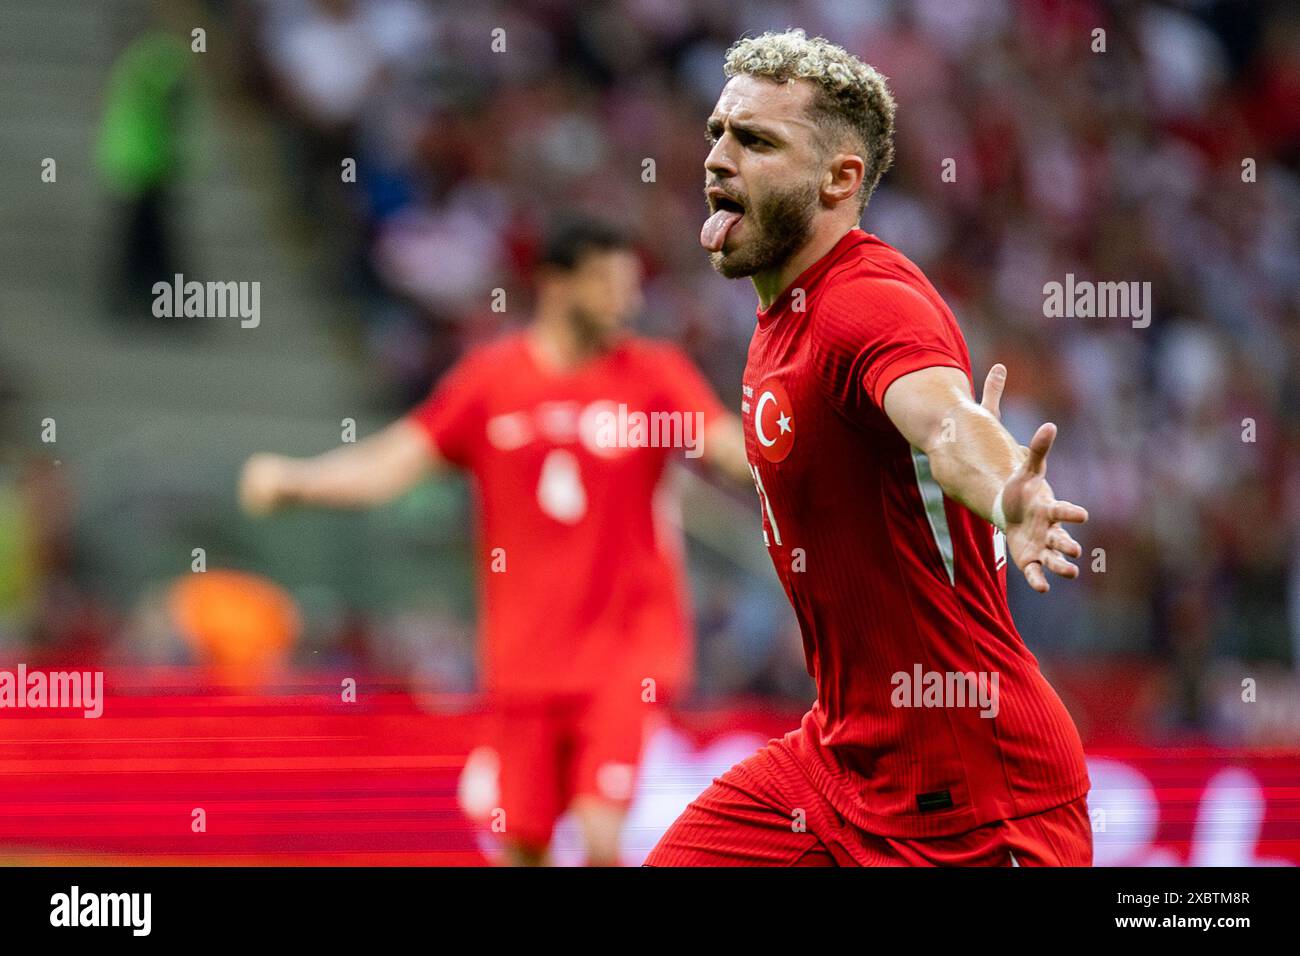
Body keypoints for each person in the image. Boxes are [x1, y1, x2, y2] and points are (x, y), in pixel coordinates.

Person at [646, 30, 1093, 867]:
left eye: (756, 140)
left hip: (978, 799)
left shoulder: (869, 304)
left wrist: (1008, 493)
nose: (717, 157)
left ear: (841, 179)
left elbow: (947, 422)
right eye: (718, 132)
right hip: (839, 765)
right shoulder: (783, 312)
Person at [239, 218, 749, 865]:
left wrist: (773, 451)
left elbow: (721, 443)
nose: (627, 302)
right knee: (523, 845)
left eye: (630, 286)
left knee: (599, 836)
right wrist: (298, 481)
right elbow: (397, 460)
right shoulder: (491, 381)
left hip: (626, 652)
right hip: (524, 662)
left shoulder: (653, 377)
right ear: (554, 284)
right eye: (608, 285)